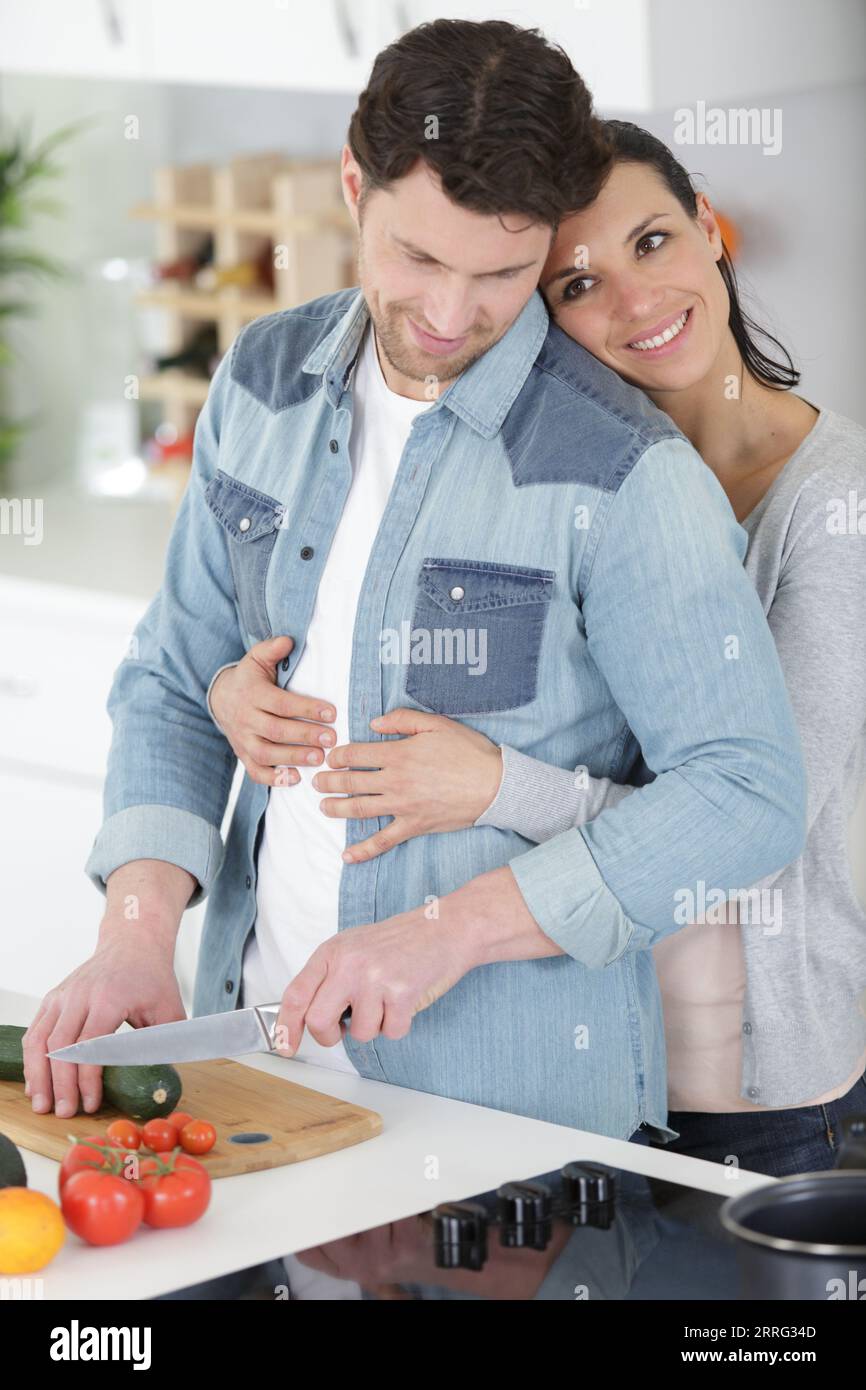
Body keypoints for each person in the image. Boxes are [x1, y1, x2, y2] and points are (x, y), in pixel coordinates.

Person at [23, 20, 805, 1146]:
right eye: (418, 259)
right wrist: (139, 932)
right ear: (354, 183)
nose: (448, 316)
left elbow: (744, 796)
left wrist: (450, 930)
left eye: (500, 272)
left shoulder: (624, 473)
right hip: (253, 1078)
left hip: (504, 1120)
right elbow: (169, 673)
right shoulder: (262, 378)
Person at [213, 116, 866, 1177]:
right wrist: (232, 688)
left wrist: (494, 787)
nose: (634, 301)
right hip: (578, 1056)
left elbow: (758, 828)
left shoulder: (834, 503)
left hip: (739, 1087)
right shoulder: (561, 481)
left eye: (652, 242)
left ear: (708, 228)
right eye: (575, 284)